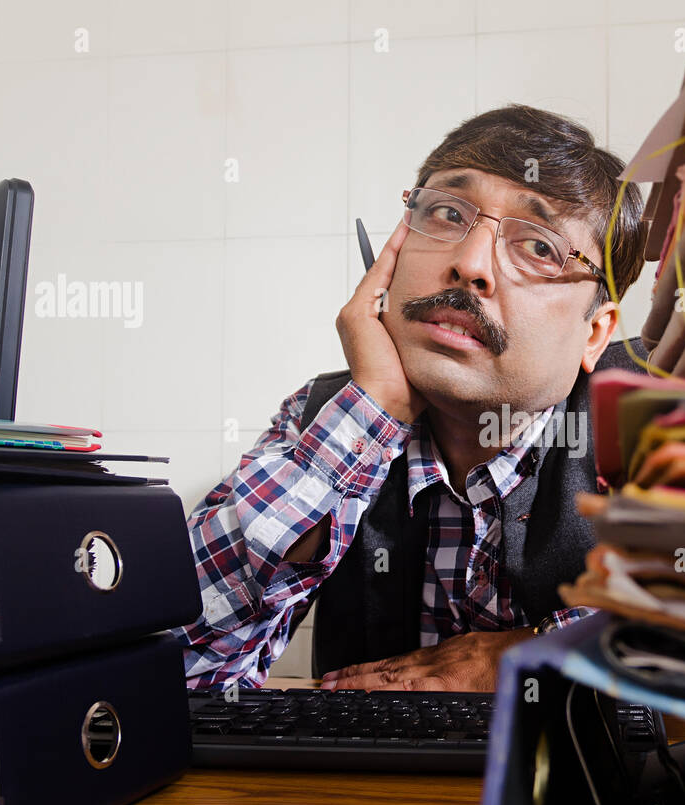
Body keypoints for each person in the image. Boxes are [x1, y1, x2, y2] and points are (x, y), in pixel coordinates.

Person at [171, 104, 648, 691]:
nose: (469, 264)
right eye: (448, 213)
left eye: (540, 248)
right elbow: (173, 669)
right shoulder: (323, 420)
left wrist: (532, 656)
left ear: (594, 333)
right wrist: (369, 411)